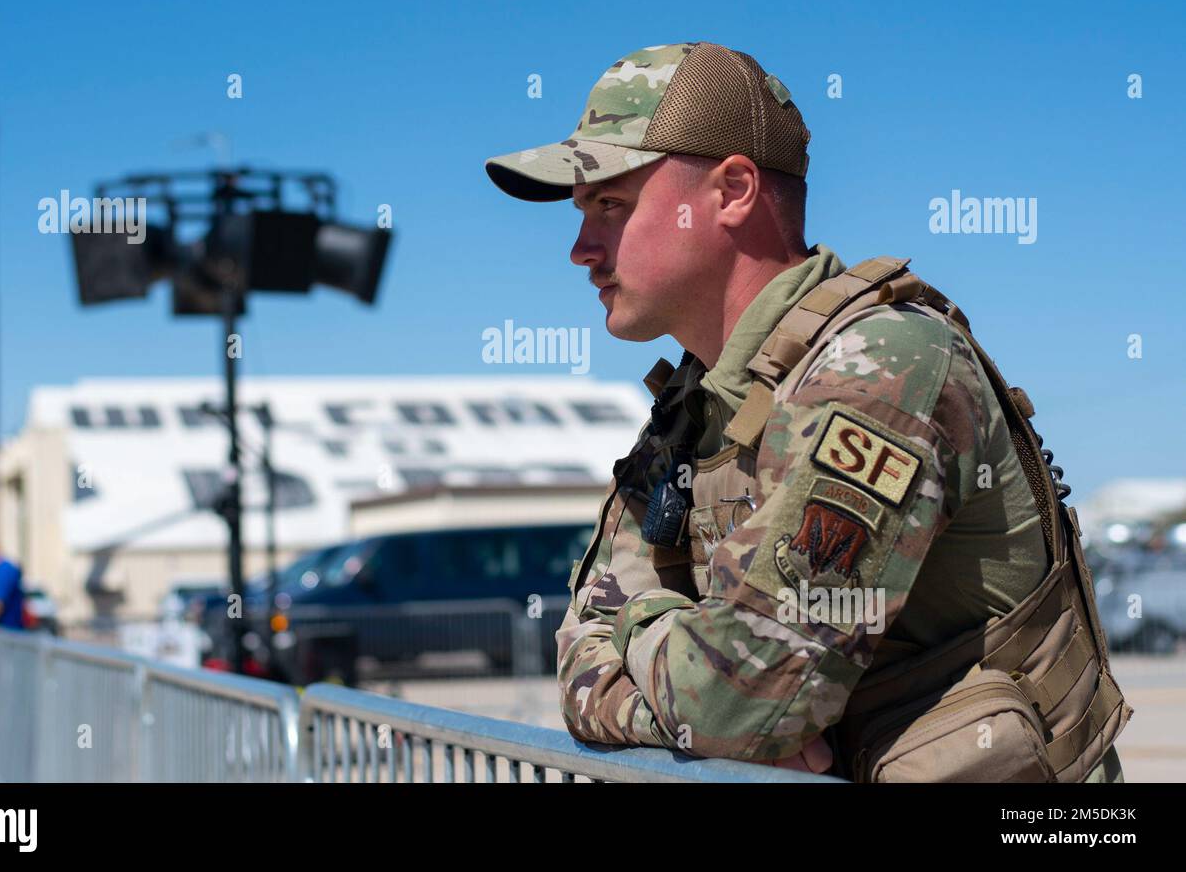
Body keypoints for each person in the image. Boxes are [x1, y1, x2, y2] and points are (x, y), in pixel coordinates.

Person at [484, 41, 1130, 782]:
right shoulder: (694, 405)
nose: (580, 249)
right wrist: (686, 675)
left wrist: (652, 637)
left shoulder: (883, 365)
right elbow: (582, 648)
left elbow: (738, 705)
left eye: (611, 204)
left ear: (732, 191)